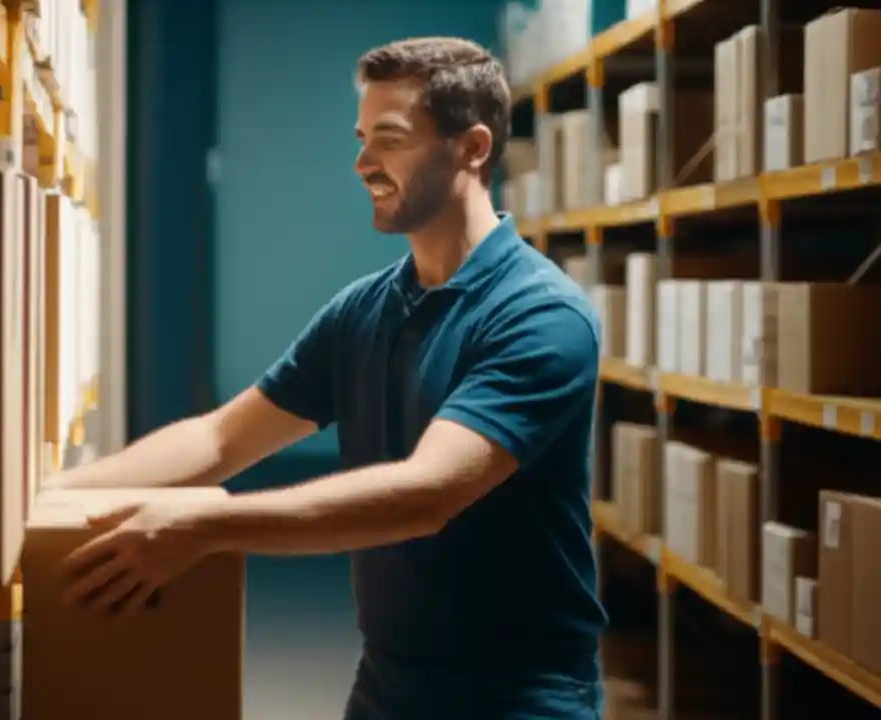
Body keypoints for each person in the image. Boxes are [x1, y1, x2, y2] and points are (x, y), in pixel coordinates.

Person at [49, 36, 607, 719]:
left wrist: (206, 525)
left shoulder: (540, 316)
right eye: (362, 137)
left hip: (517, 699)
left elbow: (423, 496)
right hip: (388, 684)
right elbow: (221, 439)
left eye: (390, 140)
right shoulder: (365, 310)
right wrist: (41, 499)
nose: (364, 163)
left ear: (473, 148)